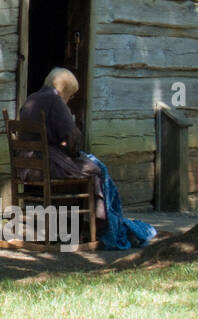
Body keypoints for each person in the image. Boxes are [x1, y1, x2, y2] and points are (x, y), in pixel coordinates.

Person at [18, 67, 156, 249]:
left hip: (27, 168)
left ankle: (66, 228)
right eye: (70, 95)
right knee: (95, 171)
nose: (69, 99)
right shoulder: (55, 101)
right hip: (46, 165)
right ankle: (97, 226)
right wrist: (74, 153)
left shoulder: (31, 99)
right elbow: (72, 135)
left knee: (81, 170)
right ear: (64, 90)